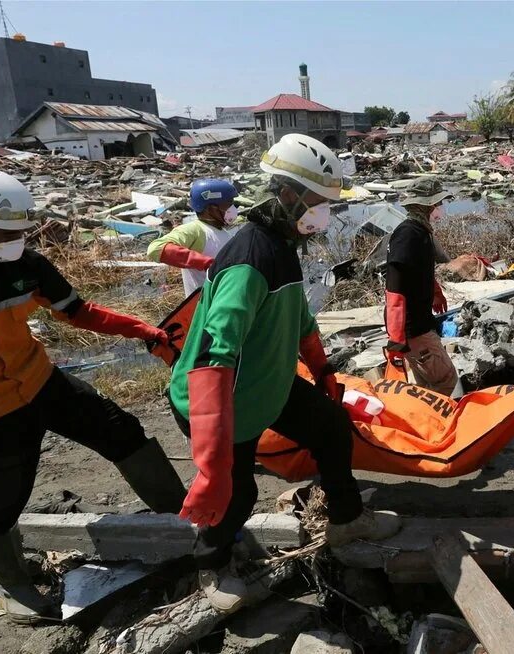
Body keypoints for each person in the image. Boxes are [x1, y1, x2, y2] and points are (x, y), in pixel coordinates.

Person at [0, 168, 186, 624]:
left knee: (122, 430)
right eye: (6, 230)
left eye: (20, 227)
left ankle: (178, 515)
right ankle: (14, 581)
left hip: (40, 381)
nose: (18, 237)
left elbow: (77, 311)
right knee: (0, 502)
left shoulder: (27, 266)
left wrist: (139, 328)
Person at [169, 134, 401, 614]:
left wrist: (323, 371)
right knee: (235, 492)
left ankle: (345, 519)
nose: (325, 215)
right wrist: (212, 463)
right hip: (219, 401)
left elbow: (300, 320)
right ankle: (211, 565)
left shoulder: (282, 245)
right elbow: (215, 354)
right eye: (320, 203)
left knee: (332, 427)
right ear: (289, 195)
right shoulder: (250, 260)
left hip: (265, 385)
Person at [384, 178, 460, 397]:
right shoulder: (409, 234)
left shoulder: (421, 231)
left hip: (418, 322)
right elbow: (395, 286)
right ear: (426, 205)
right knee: (446, 381)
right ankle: (447, 425)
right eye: (437, 203)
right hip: (413, 327)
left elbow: (417, 271)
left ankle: (431, 425)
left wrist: (435, 291)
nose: (439, 208)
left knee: (427, 386)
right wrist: (397, 336)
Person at [146, 178, 240, 297]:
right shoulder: (195, 229)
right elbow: (156, 248)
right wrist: (207, 264)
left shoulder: (224, 231)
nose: (233, 208)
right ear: (211, 208)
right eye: (229, 203)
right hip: (203, 307)